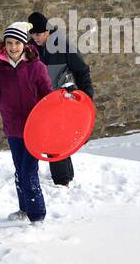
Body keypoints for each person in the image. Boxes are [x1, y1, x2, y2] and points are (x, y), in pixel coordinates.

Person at [0, 21, 53, 223]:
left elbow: (48, 97)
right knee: (20, 171)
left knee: (28, 173)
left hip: (35, 129)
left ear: (24, 43)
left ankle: (37, 216)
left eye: (17, 42)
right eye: (9, 43)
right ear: (4, 44)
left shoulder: (37, 67)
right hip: (14, 129)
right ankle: (24, 210)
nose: (13, 47)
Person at [27, 11, 94, 187]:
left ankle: (62, 181)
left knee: (55, 138)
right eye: (32, 34)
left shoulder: (64, 45)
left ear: (48, 31)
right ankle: (65, 177)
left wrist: (87, 99)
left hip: (62, 99)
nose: (36, 37)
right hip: (42, 102)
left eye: (39, 34)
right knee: (52, 138)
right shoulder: (30, 49)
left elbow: (82, 71)